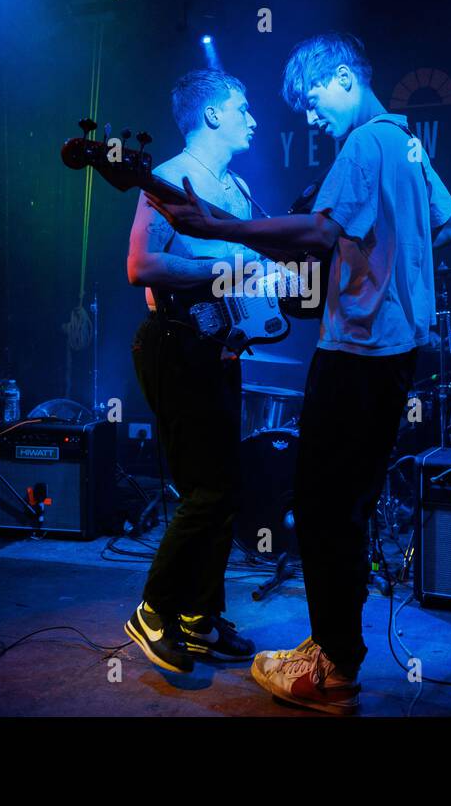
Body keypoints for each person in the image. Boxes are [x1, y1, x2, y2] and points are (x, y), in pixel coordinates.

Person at [148, 34, 451, 712]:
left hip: (354, 354)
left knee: (321, 513)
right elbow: (448, 223)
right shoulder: (408, 141)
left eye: (315, 101)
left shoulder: (364, 142)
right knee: (346, 509)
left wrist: (220, 228)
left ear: (345, 78)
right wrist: (382, 264)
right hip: (397, 354)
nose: (311, 117)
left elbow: (320, 234)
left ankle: (331, 670)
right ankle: (333, 653)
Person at [123, 69, 259, 673]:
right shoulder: (169, 180)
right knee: (205, 489)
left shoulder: (238, 186)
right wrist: (225, 265)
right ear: (211, 116)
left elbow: (253, 266)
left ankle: (198, 618)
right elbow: (140, 266)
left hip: (217, 349)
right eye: (242, 107)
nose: (252, 119)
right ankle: (153, 611)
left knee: (225, 488)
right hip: (175, 345)